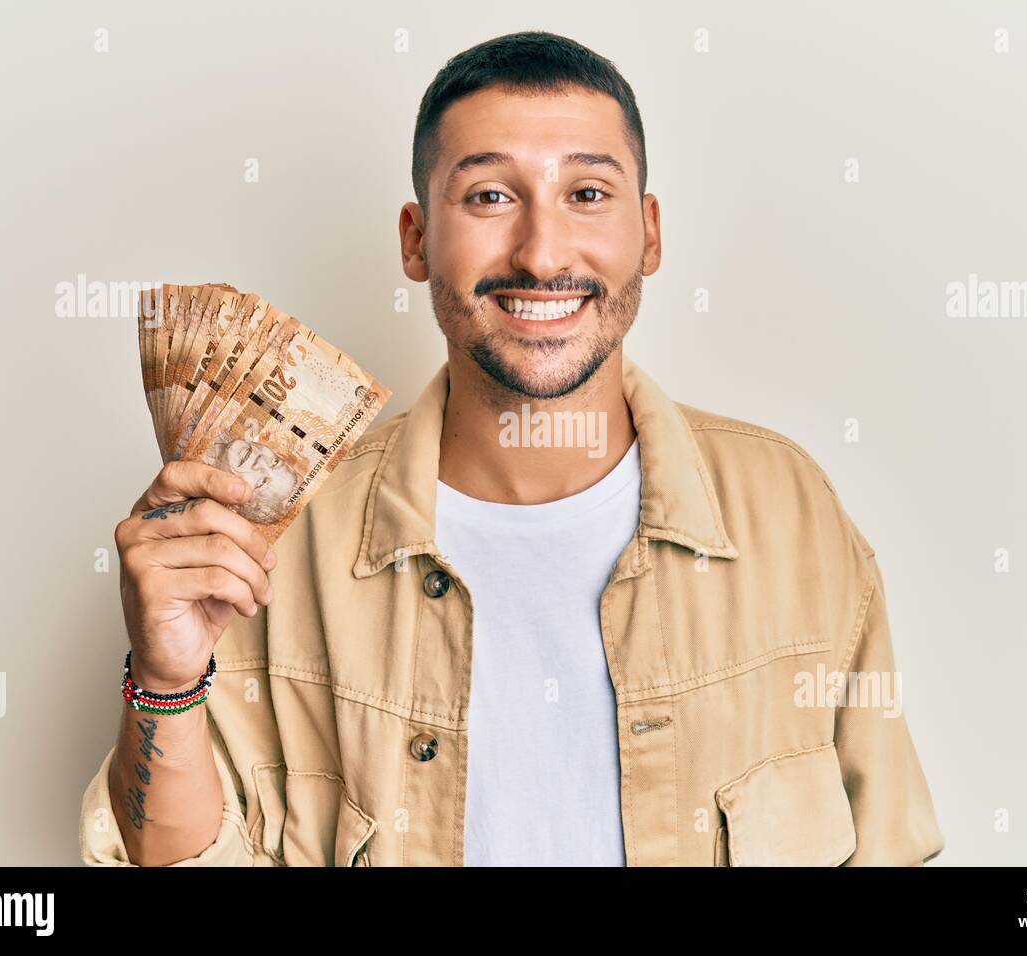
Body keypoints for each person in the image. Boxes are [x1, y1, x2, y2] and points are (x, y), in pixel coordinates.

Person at [81, 30, 944, 867]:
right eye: (490, 196)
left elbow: (889, 846)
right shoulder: (273, 543)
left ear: (649, 231)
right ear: (417, 241)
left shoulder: (788, 511)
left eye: (587, 194)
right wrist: (164, 678)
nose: (541, 255)